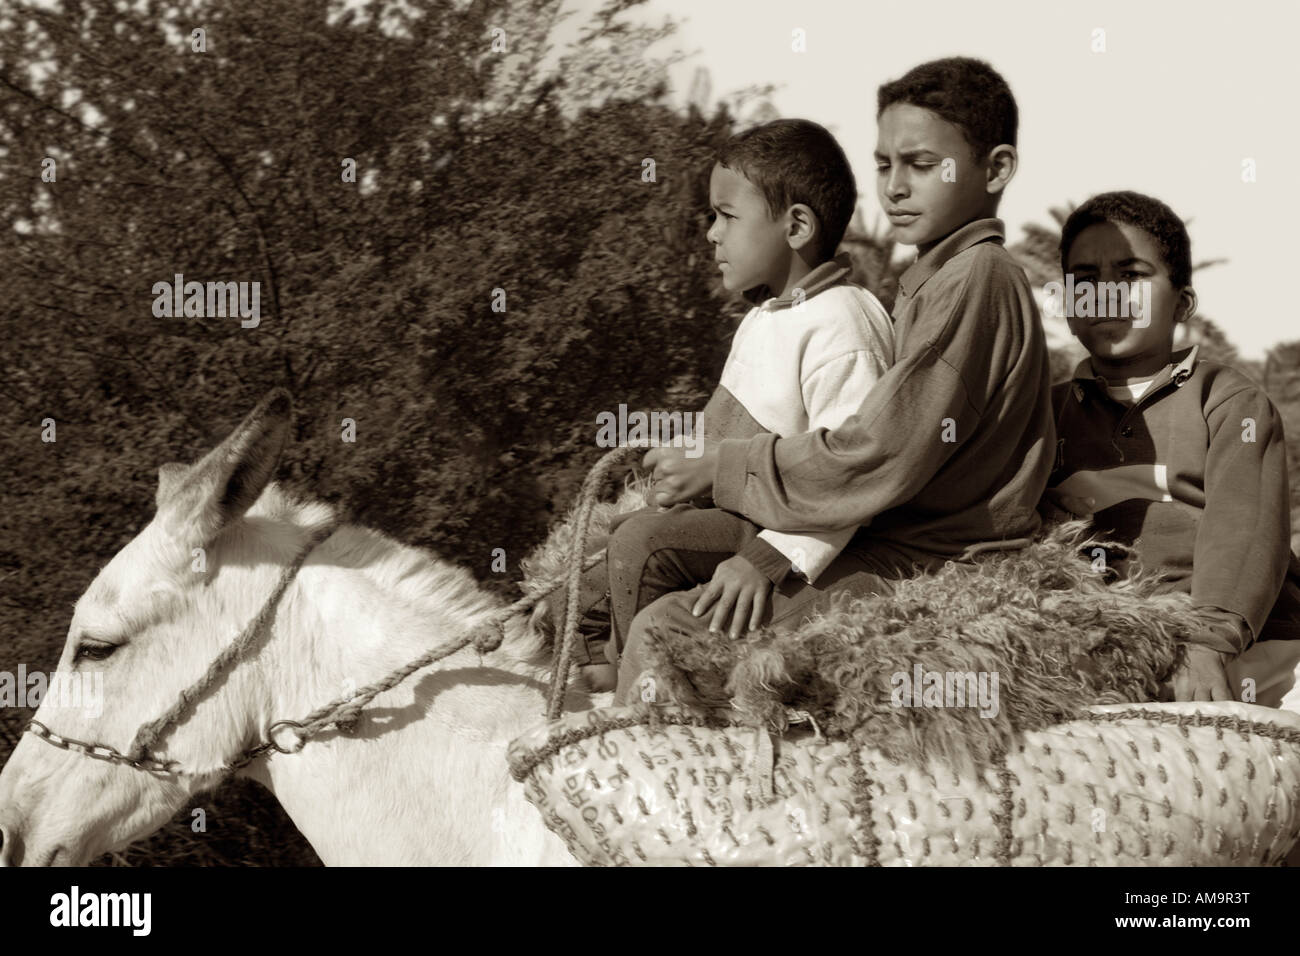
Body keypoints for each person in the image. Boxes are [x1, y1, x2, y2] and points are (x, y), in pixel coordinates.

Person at [614, 57, 1055, 706]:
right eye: (884, 165)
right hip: (888, 549)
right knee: (633, 563)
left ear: (995, 170)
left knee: (667, 631)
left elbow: (876, 455)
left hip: (931, 565)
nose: (896, 188)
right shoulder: (939, 282)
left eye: (922, 164)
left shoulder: (977, 282)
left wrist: (733, 487)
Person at [1043, 190, 1300, 705]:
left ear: (1182, 303)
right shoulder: (1045, 414)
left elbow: (1244, 529)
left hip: (1238, 640)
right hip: (1111, 638)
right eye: (1086, 280)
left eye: (1133, 275)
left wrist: (1208, 642)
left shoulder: (1227, 402)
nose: (1108, 295)